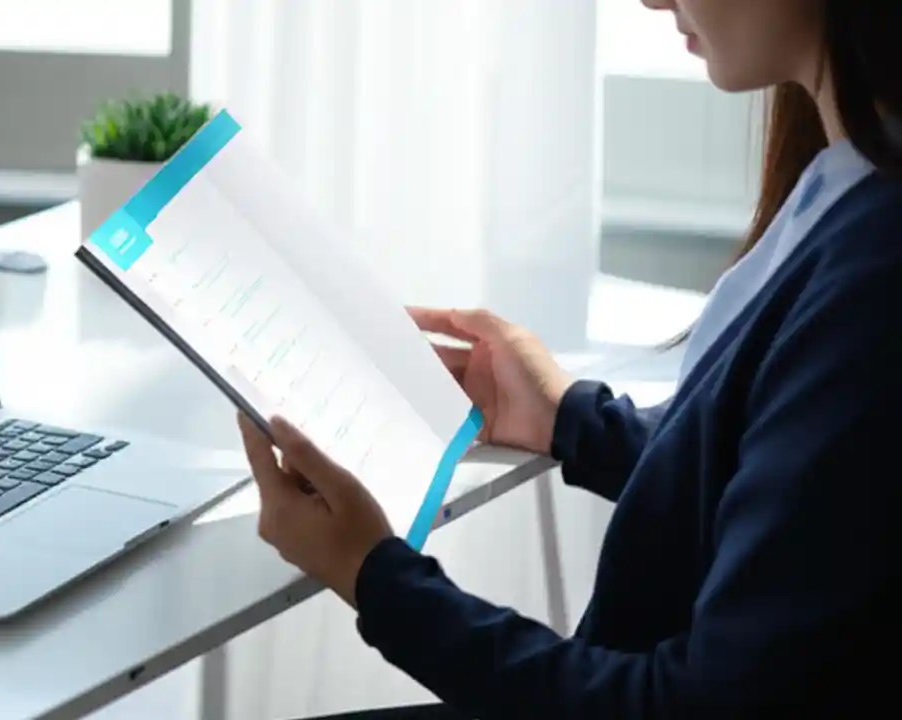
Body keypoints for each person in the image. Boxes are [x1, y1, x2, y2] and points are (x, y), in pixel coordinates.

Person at [236, 0, 902, 717]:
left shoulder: (877, 268)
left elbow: (704, 703)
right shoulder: (851, 182)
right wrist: (567, 416)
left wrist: (377, 577)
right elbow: (782, 482)